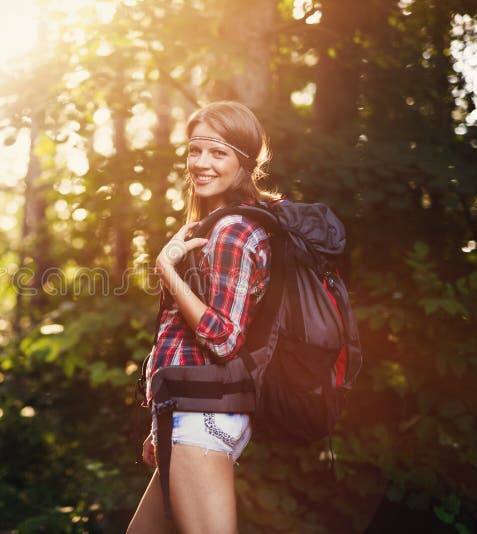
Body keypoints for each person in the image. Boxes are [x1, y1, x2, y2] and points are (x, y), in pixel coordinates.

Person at [127, 101, 281, 534]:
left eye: (218, 152)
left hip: (201, 417)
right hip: (185, 412)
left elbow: (224, 338)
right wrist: (161, 419)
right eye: (195, 151)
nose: (201, 163)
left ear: (244, 163)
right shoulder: (214, 226)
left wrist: (166, 270)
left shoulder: (234, 230)